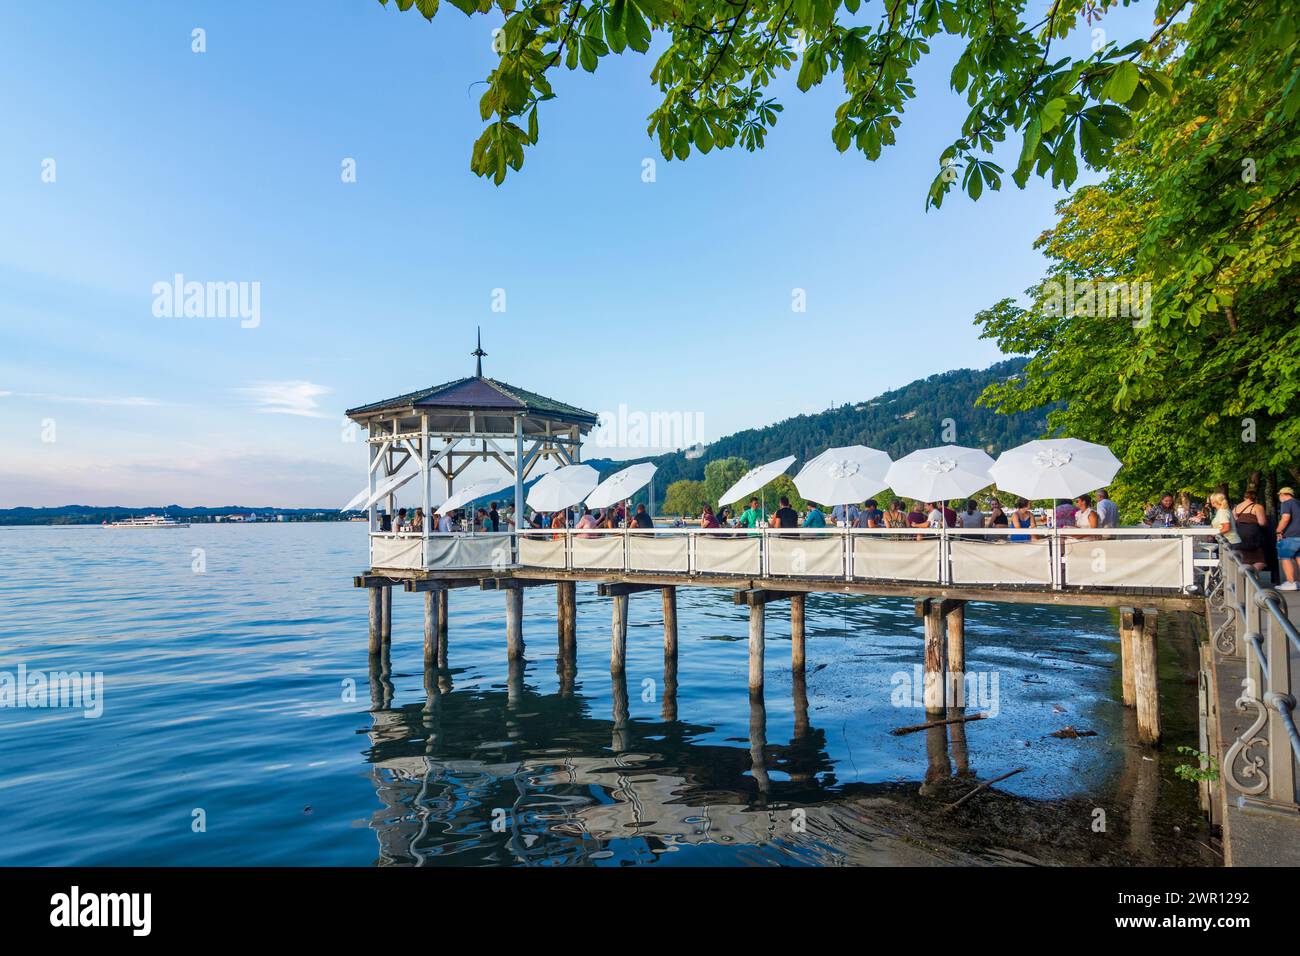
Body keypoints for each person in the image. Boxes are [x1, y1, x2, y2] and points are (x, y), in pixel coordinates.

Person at [1232, 490, 1268, 571]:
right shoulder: (1257, 507)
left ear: (1244, 497)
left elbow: (1234, 521)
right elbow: (1262, 523)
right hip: (1253, 535)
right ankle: (1253, 576)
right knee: (1260, 560)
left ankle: (1245, 579)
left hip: (1238, 535)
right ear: (1255, 497)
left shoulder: (1236, 508)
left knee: (1243, 558)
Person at [1277, 487, 1299, 590]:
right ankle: (1298, 582)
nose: (1279, 497)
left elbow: (1285, 518)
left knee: (1285, 558)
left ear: (1283, 494)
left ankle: (1291, 582)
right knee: (1299, 558)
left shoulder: (1286, 503)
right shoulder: (1298, 503)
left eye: (1279, 495)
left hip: (1291, 535)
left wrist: (1278, 531)